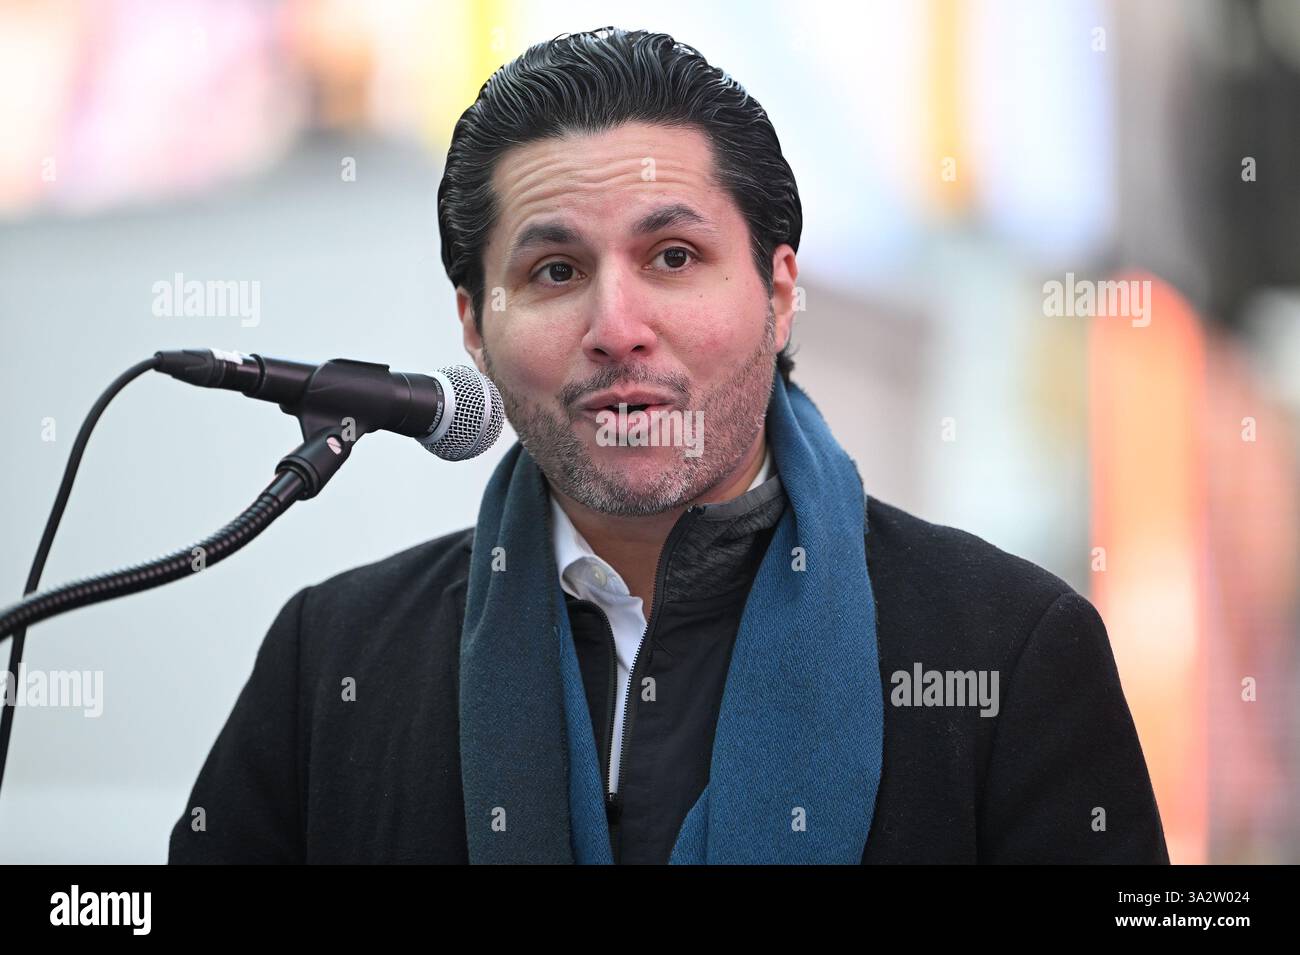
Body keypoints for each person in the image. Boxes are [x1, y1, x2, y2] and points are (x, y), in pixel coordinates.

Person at [169, 26, 1169, 864]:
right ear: (474, 326)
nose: (616, 323)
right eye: (555, 270)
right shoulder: (334, 663)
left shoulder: (1008, 649)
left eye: (674, 256)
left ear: (778, 293)